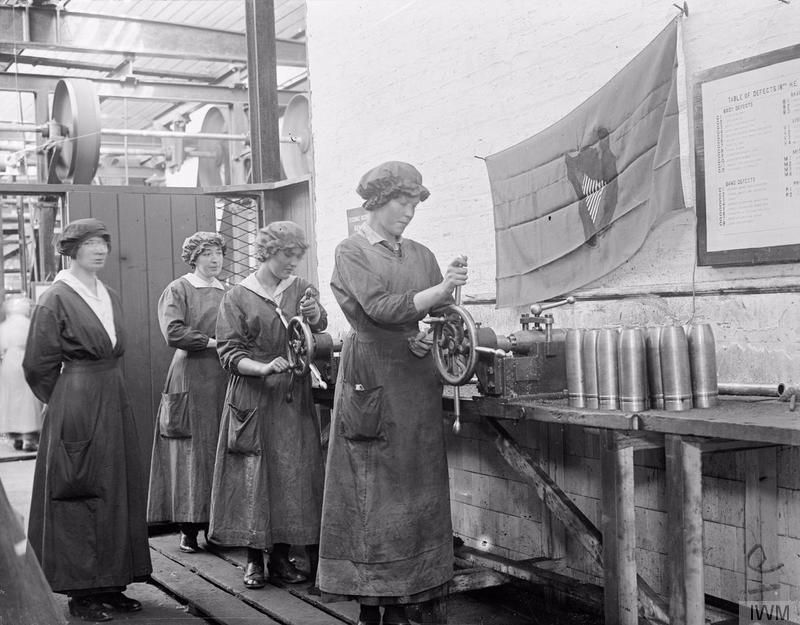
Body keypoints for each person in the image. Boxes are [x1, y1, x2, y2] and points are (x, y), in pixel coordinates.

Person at [317, 161, 468, 625]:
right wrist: (438, 292)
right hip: (373, 378)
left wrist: (433, 325)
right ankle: (373, 601)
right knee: (373, 491)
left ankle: (415, 593)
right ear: (377, 202)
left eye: (413, 204)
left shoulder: (421, 253)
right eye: (401, 202)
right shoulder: (352, 251)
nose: (408, 212)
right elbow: (381, 309)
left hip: (416, 380)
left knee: (417, 484)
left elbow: (437, 311)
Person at [23, 218, 152, 622]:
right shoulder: (55, 298)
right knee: (79, 489)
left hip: (113, 398)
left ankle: (112, 583)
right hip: (77, 401)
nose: (100, 250)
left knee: (117, 487)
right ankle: (82, 592)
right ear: (71, 249)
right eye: (91, 243)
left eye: (104, 243)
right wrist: (63, 403)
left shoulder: (108, 293)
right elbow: (37, 365)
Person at [208, 220, 326, 590]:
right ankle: (253, 560)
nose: (293, 263)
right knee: (253, 478)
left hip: (292, 397)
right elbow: (228, 353)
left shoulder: (301, 289)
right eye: (286, 256)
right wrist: (262, 366)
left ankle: (280, 556)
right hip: (253, 397)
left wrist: (314, 315)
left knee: (291, 477)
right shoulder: (238, 295)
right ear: (267, 252)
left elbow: (317, 333)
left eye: (297, 256)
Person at [147, 232, 228, 553]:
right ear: (193, 257)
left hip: (224, 377)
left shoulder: (231, 292)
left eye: (218, 252)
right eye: (207, 253)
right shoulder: (179, 289)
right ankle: (189, 528)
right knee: (190, 451)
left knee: (220, 447)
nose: (214, 259)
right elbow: (173, 331)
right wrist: (212, 343)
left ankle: (219, 524)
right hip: (190, 377)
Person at [0, 295, 43, 452]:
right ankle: (29, 438)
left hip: (8, 363)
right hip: (25, 360)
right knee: (27, 401)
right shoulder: (29, 324)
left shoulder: (4, 326)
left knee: (10, 400)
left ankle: (16, 437)